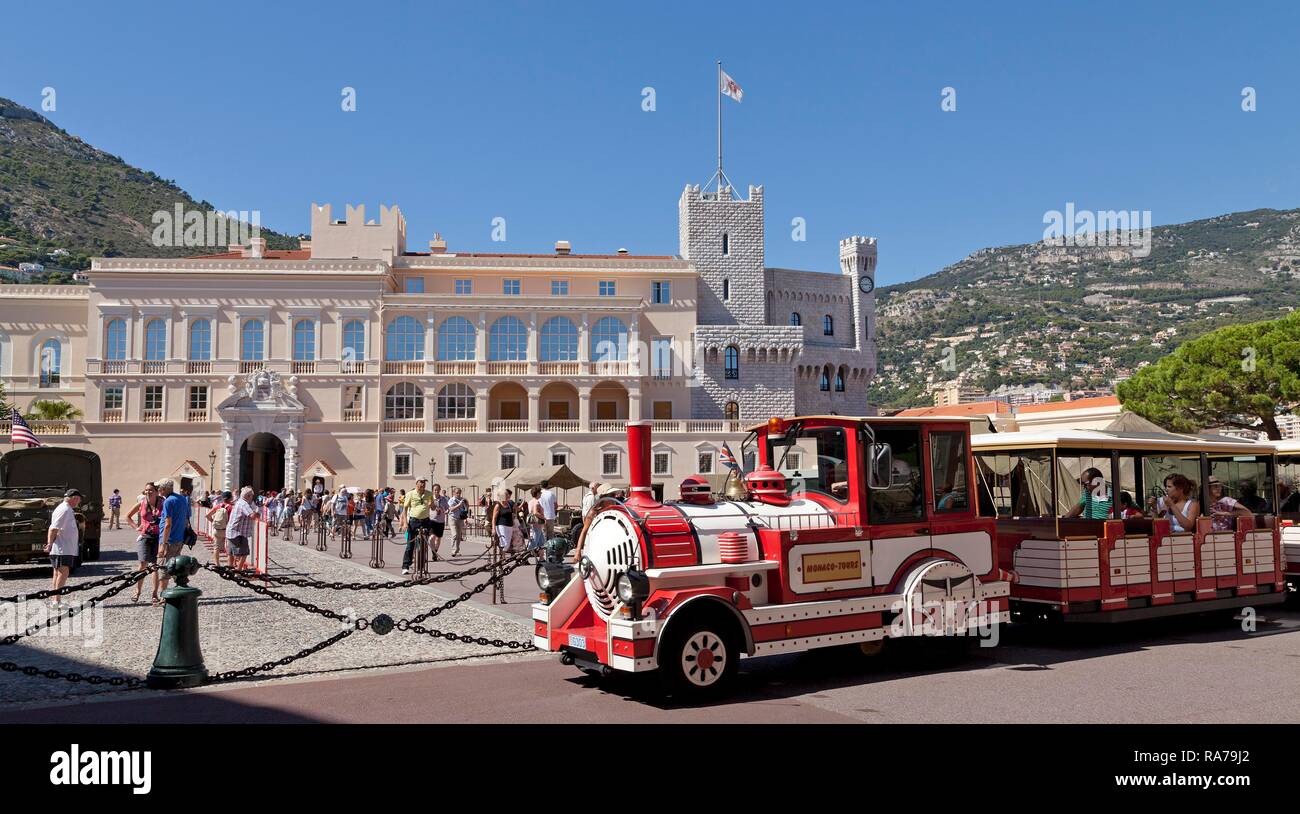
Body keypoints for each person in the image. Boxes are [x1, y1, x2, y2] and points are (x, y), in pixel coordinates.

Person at [155, 478, 192, 601]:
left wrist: (163, 544)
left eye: (159, 487)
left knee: (164, 568)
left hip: (169, 540)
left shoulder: (168, 502)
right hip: (179, 538)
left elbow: (167, 524)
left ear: (164, 489)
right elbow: (186, 519)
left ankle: (163, 596)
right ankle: (181, 590)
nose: (158, 490)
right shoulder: (182, 498)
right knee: (177, 567)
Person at [44, 489, 82, 607]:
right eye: (79, 499)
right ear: (74, 498)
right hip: (62, 548)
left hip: (63, 547)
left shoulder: (65, 508)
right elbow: (53, 528)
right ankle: (56, 600)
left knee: (57, 573)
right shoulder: (65, 509)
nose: (79, 501)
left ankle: (55, 598)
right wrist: (49, 543)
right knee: (63, 572)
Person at [130, 482, 163, 603]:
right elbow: (128, 516)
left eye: (151, 490)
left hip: (158, 537)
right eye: (146, 490)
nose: (148, 492)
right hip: (145, 536)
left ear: (156, 491)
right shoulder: (142, 503)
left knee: (154, 566)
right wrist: (136, 527)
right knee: (143, 563)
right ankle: (137, 591)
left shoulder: (162, 504)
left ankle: (154, 594)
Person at [400, 479, 434, 575]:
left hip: (425, 521)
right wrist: (405, 523)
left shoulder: (429, 493)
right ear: (416, 484)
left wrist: (432, 505)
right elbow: (405, 509)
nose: (423, 484)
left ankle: (421, 567)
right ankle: (406, 566)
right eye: (421, 483)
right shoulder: (410, 494)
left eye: (424, 483)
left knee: (423, 546)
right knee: (410, 545)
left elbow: (433, 507)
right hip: (413, 521)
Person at [225, 487, 258, 571]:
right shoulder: (244, 504)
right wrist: (258, 514)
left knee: (231, 552)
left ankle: (230, 569)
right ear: (248, 496)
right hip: (238, 532)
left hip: (232, 531)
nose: (252, 498)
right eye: (251, 496)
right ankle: (238, 571)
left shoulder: (239, 502)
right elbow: (252, 515)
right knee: (244, 552)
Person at [205, 491, 234, 567]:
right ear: (230, 498)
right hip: (227, 530)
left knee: (216, 547)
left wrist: (213, 521)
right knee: (228, 548)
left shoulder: (218, 506)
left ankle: (217, 564)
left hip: (217, 529)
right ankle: (229, 565)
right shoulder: (230, 507)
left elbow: (207, 515)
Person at [489, 488, 518, 552]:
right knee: (504, 543)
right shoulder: (498, 505)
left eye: (507, 495)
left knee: (507, 544)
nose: (508, 496)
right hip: (501, 526)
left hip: (510, 525)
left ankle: (502, 556)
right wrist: (493, 529)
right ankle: (502, 558)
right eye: (506, 495)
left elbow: (516, 510)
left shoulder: (509, 504)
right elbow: (494, 518)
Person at [428, 483, 449, 560]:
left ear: (440, 490)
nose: (436, 491)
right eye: (435, 490)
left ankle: (435, 553)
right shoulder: (430, 498)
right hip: (432, 520)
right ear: (433, 491)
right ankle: (434, 553)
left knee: (438, 538)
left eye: (438, 490)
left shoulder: (443, 499)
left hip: (441, 521)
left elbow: (447, 508)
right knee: (431, 537)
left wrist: (446, 511)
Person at [447, 487, 469, 557]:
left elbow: (466, 509)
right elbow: (451, 509)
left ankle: (457, 550)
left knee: (459, 536)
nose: (458, 494)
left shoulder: (463, 500)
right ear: (453, 493)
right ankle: (453, 551)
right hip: (452, 518)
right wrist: (459, 505)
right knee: (454, 535)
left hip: (460, 519)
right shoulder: (451, 500)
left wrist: (466, 505)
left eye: (459, 493)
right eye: (457, 493)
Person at [527, 486, 546, 551]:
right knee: (534, 542)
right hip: (537, 524)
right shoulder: (536, 502)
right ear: (537, 493)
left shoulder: (530, 502)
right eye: (540, 492)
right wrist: (544, 517)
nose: (541, 494)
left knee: (541, 542)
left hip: (533, 523)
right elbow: (535, 512)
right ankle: (526, 555)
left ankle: (541, 558)